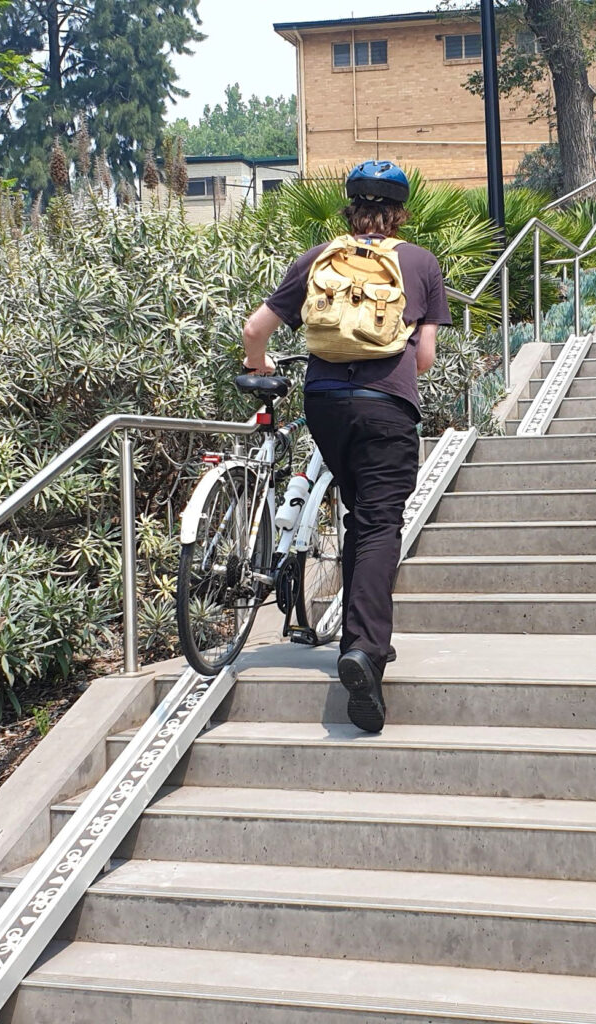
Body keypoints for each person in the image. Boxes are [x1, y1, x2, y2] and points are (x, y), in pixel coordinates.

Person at [241, 160, 449, 733]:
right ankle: (365, 652)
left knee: (360, 517)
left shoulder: (317, 259)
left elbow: (255, 329)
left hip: (327, 403)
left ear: (349, 209)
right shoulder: (420, 263)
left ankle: (360, 640)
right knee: (380, 522)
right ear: (401, 212)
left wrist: (257, 366)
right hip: (387, 406)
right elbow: (425, 358)